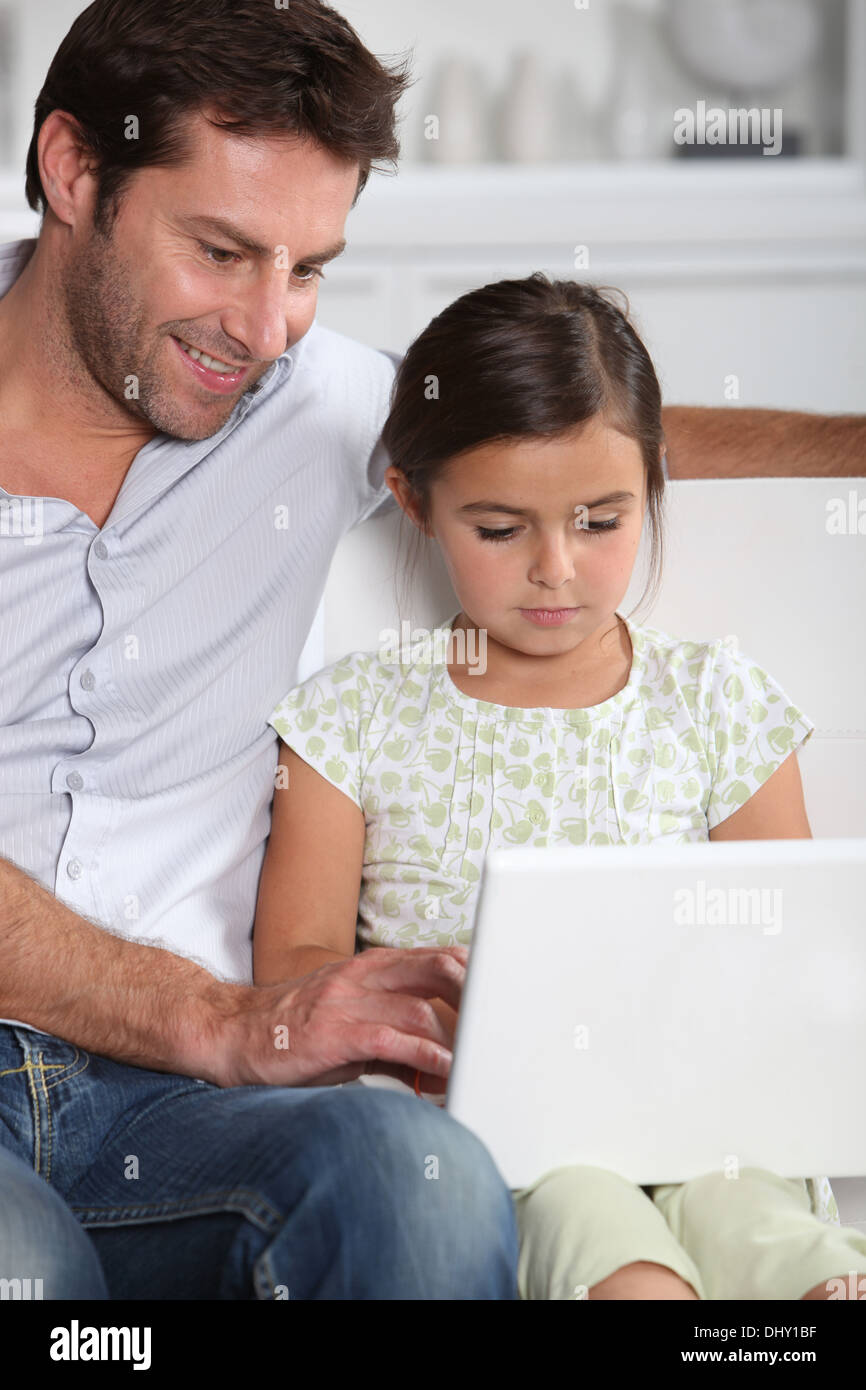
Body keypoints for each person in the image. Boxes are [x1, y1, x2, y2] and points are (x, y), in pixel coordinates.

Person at [0, 0, 861, 1302]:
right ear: (75, 170)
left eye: (310, 267)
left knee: (426, 1178)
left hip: (197, 1106)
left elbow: (570, 439)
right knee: (28, 1272)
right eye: (223, 250)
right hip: (177, 1047)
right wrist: (227, 1017)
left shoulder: (303, 398)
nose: (268, 325)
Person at [257, 272, 866, 1301]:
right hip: (516, 1139)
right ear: (414, 503)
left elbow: (791, 949)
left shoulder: (713, 699)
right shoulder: (349, 719)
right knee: (617, 1260)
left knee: (782, 1250)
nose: (556, 569)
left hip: (708, 1116)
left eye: (599, 522)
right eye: (499, 531)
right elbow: (294, 968)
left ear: (650, 492)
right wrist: (428, 1019)